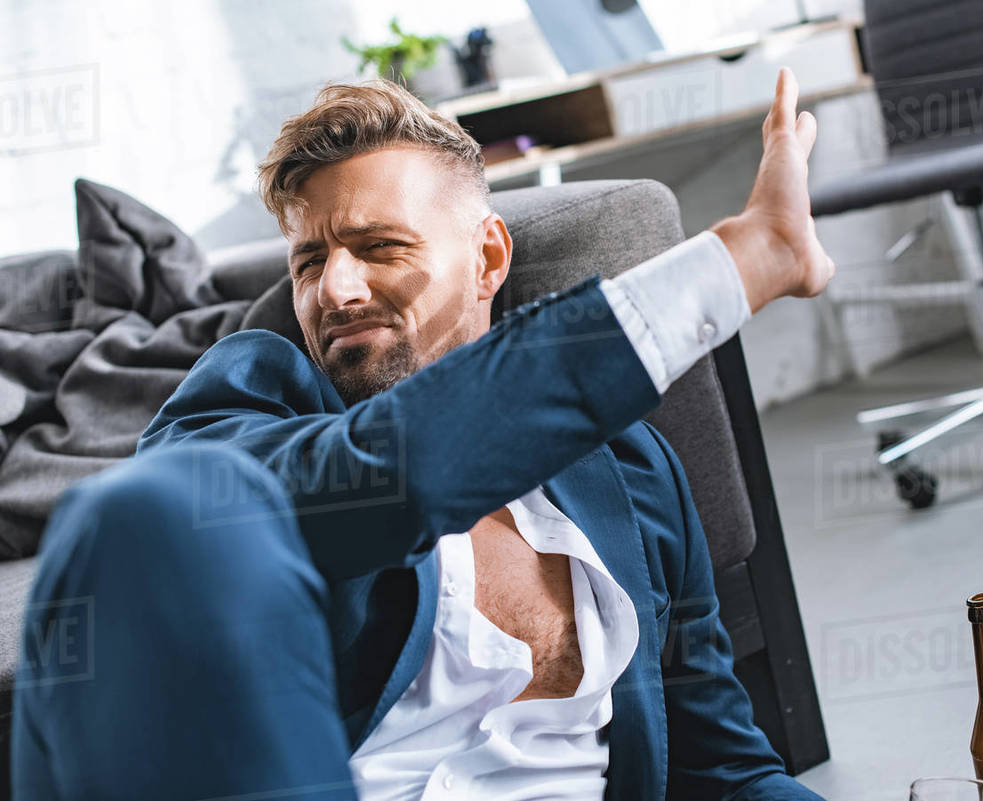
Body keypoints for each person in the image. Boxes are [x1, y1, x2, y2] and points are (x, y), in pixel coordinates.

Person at [12, 67, 834, 801]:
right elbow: (365, 478)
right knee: (133, 516)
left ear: (487, 257)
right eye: (307, 261)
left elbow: (725, 770)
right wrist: (739, 261)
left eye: (379, 247)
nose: (334, 288)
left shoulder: (636, 470)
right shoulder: (250, 400)